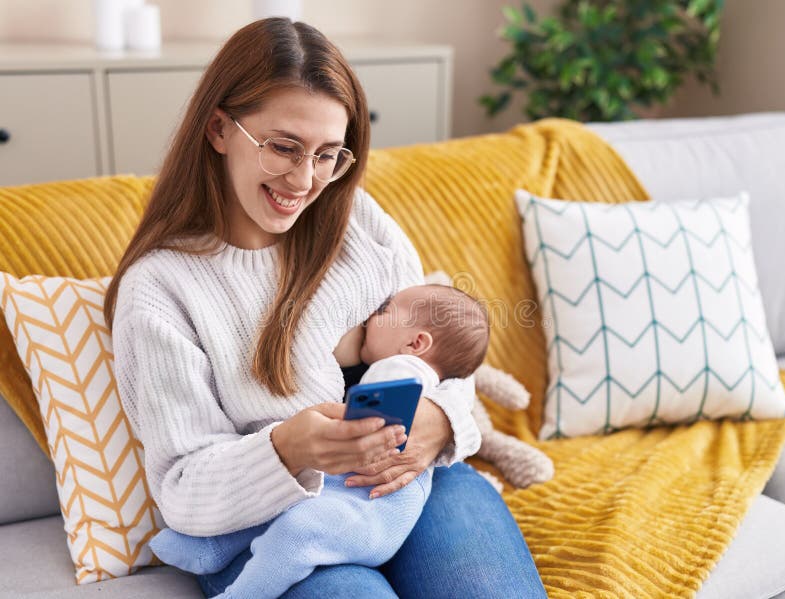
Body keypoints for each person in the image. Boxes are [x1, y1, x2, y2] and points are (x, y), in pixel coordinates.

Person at [105, 17, 548, 599]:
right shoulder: (162, 290)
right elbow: (183, 487)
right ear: (218, 129)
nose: (305, 178)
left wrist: (439, 425)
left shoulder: (360, 222)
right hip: (275, 526)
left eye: (328, 154)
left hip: (416, 482)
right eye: (284, 147)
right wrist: (289, 447)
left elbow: (443, 358)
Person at [147, 284, 491, 598]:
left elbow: (383, 421)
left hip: (374, 504)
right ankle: (213, 548)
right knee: (291, 504)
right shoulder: (164, 293)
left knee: (299, 529)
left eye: (384, 310)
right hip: (353, 491)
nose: (371, 315)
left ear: (415, 344)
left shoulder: (401, 369)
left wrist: (443, 421)